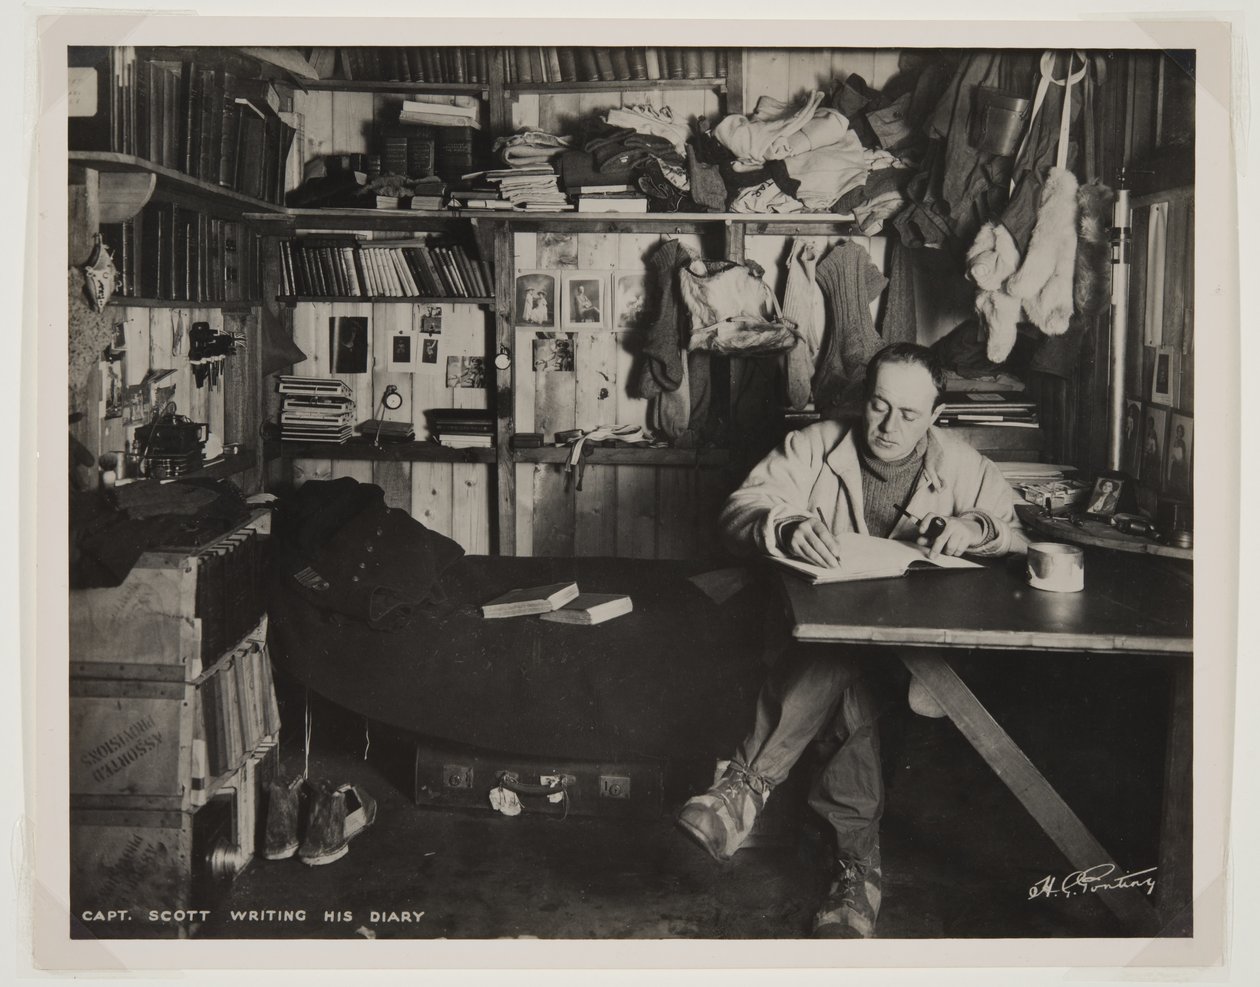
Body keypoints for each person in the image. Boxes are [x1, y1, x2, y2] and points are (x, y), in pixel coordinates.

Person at [676, 342, 1026, 938]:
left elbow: (1012, 531)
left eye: (910, 415)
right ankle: (856, 874)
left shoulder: (962, 464)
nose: (889, 427)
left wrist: (973, 527)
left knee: (844, 665)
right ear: (865, 398)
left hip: (915, 656)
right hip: (823, 642)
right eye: (879, 406)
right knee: (847, 678)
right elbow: (743, 507)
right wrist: (783, 524)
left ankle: (745, 787)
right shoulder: (814, 445)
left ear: (937, 415)